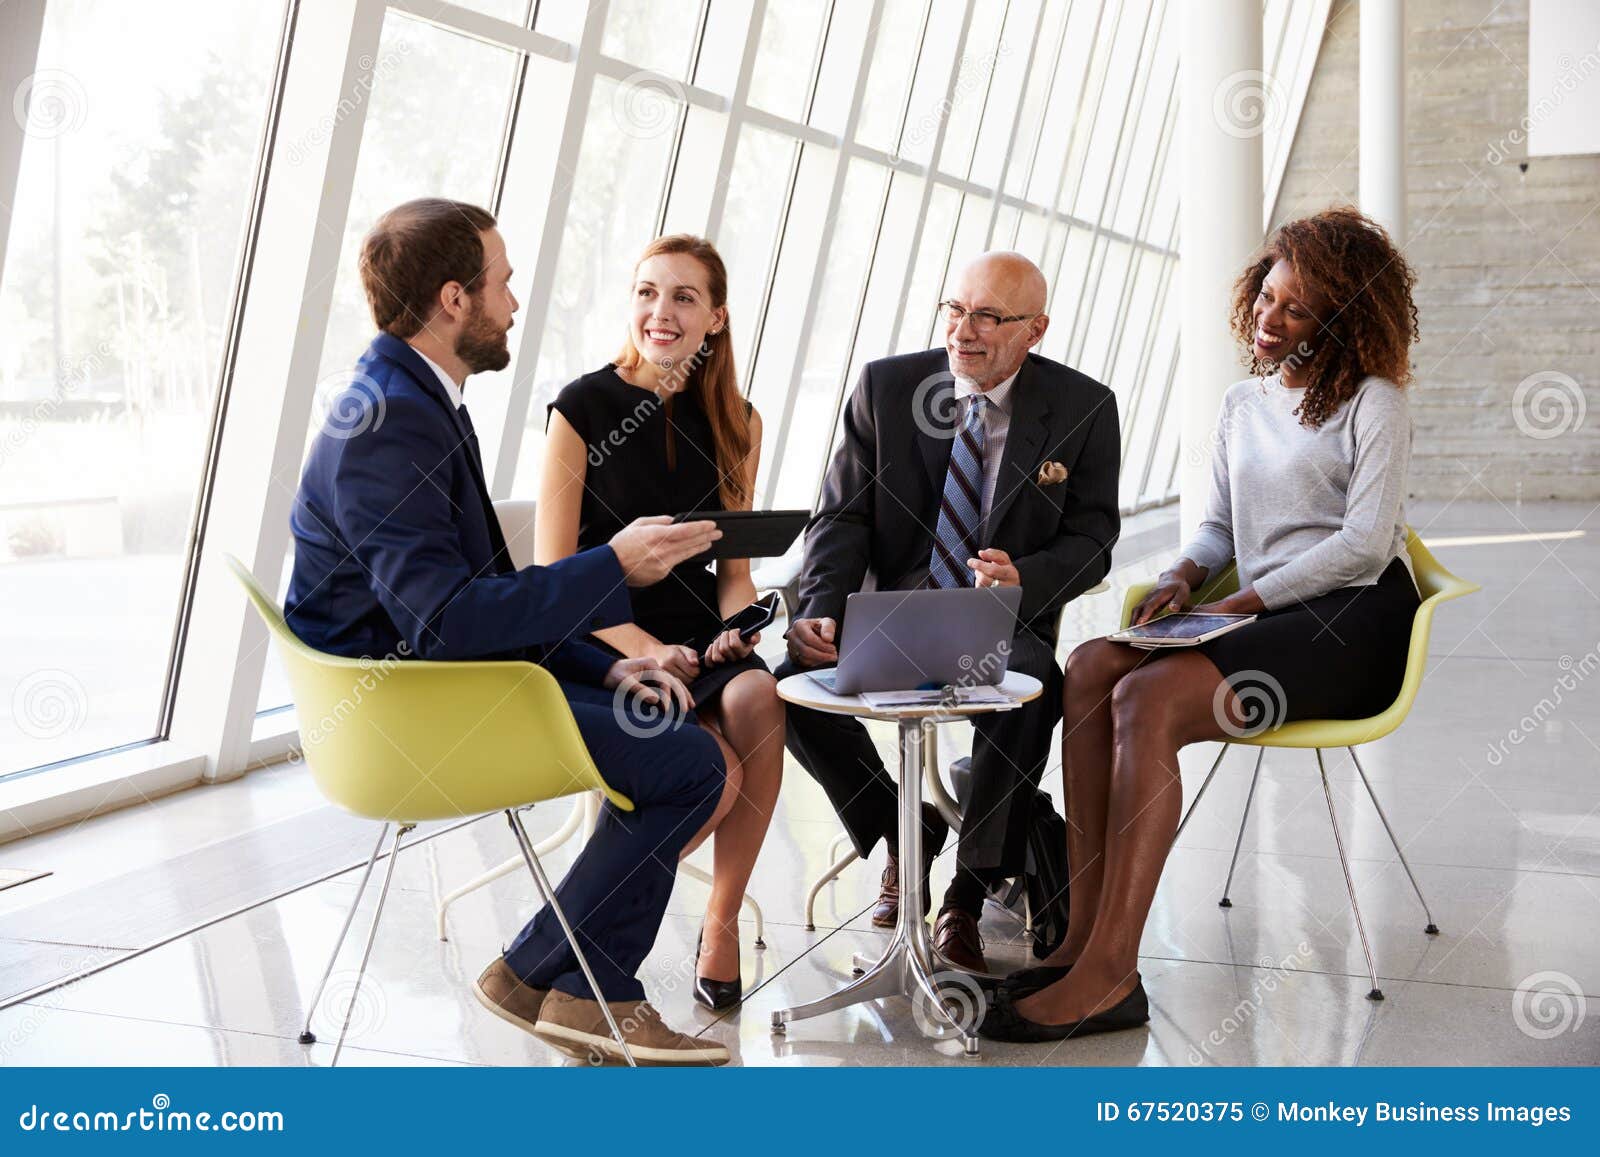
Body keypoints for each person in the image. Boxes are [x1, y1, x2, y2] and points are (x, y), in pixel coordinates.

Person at [286, 198, 731, 1065]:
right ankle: (563, 979)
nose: (515, 303)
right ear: (455, 299)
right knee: (691, 762)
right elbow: (449, 620)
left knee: (672, 736)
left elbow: (480, 595)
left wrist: (606, 670)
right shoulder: (392, 419)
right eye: (503, 282)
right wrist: (615, 566)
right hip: (411, 711)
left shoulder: (419, 398)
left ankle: (564, 985)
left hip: (440, 678)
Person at [982, 206, 1422, 1042]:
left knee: (1149, 700)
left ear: (1341, 318)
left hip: (1356, 622)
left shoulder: (1376, 404)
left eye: (1295, 308)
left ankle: (1111, 974)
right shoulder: (1241, 403)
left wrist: (1241, 602)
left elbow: (1364, 549)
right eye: (1266, 295)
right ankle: (1078, 937)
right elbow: (1220, 528)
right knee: (1088, 668)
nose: (1269, 316)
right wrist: (1185, 575)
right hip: (1260, 615)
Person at [778, 251, 1121, 972]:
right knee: (788, 688)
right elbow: (840, 518)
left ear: (1035, 330)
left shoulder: (1085, 408)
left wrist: (1024, 575)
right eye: (955, 309)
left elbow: (1094, 540)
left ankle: (967, 890)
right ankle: (903, 835)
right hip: (892, 615)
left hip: (1000, 622)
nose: (964, 331)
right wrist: (818, 610)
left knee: (1036, 687)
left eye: (989, 317)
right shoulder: (887, 386)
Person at [537, 234, 784, 1011]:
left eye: (682, 297)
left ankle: (719, 921)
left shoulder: (737, 420)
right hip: (602, 635)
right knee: (723, 774)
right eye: (647, 292)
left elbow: (734, 574)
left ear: (716, 317)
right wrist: (642, 647)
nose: (661, 311)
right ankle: (596, 918)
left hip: (695, 634)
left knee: (759, 701)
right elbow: (554, 576)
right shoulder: (581, 408)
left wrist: (737, 630)